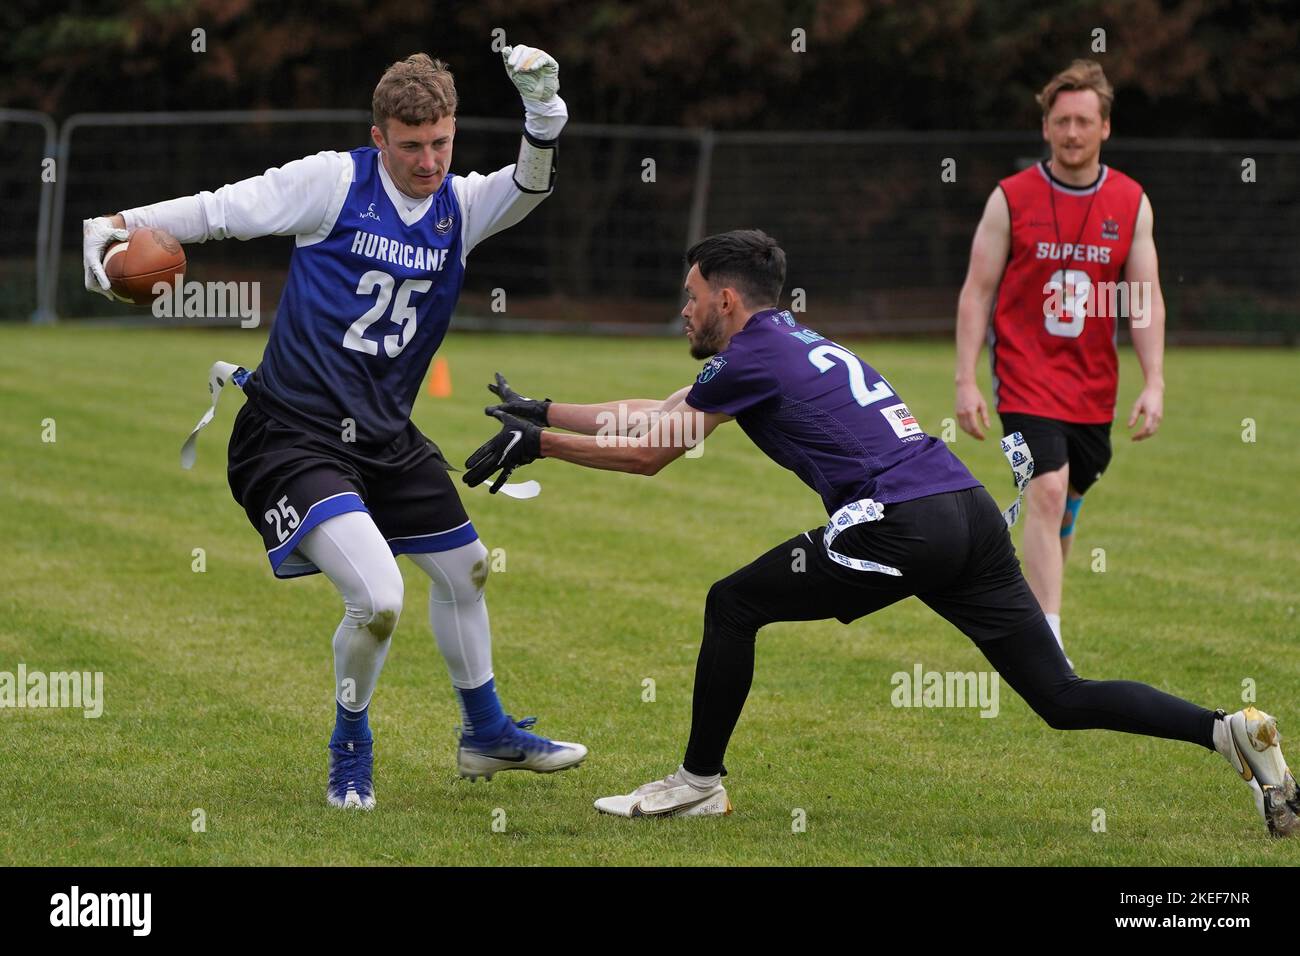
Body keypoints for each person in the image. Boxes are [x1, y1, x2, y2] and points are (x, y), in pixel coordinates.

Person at [463, 229, 1296, 835]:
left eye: (689, 297)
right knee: (1061, 697)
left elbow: (653, 451)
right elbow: (663, 413)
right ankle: (1225, 731)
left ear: (726, 298)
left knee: (732, 603)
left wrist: (541, 445)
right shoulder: (787, 340)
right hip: (964, 510)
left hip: (903, 522)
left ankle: (698, 782)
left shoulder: (751, 352)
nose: (682, 313)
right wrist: (546, 411)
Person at [81, 46, 587, 811]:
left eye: (441, 143)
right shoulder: (333, 182)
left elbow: (530, 186)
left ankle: (486, 735)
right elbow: (222, 210)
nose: (427, 160)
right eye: (411, 145)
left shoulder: (460, 204)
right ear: (378, 136)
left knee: (468, 570)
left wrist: (545, 117)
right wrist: (123, 223)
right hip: (291, 434)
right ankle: (350, 744)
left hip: (385, 437)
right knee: (379, 600)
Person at [954, 59, 1166, 665]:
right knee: (1045, 491)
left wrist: (1154, 382)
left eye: (1084, 121)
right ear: (1045, 127)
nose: (1072, 133)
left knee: (1065, 500)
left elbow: (1144, 299)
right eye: (1060, 121)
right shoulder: (1010, 198)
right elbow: (976, 291)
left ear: (1105, 128)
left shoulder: (1130, 202)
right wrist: (966, 379)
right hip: (1022, 378)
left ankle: (1038, 598)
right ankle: (1047, 640)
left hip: (1092, 388)